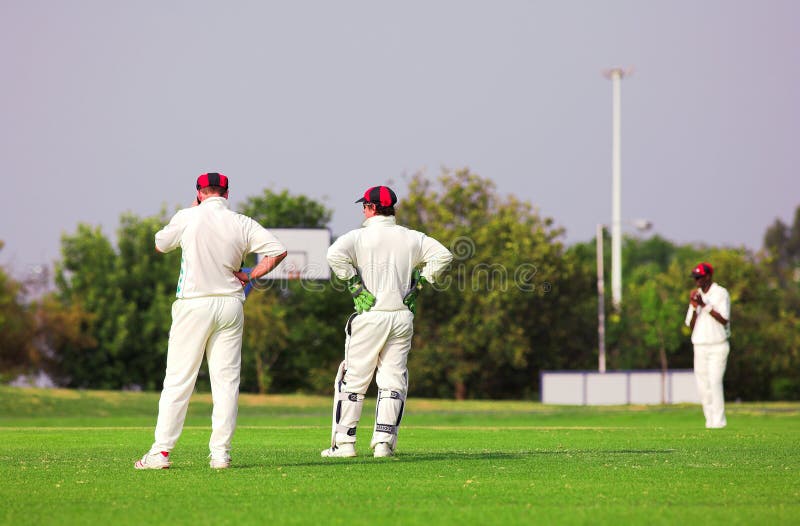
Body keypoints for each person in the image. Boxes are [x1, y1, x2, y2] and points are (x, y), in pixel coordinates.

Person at [135, 172, 287, 469]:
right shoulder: (241, 221)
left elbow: (160, 245)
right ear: (227, 194)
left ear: (200, 192)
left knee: (179, 380)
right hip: (231, 304)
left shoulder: (188, 216)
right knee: (226, 382)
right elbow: (278, 251)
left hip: (194, 304)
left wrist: (192, 207)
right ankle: (220, 454)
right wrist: (251, 274)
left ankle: (161, 453)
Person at [321, 185, 453, 458]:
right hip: (402, 315)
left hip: (371, 315)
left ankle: (344, 444)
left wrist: (355, 285)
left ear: (370, 208)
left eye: (364, 207)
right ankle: (383, 443)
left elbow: (333, 255)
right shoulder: (412, 237)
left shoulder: (359, 236)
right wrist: (421, 283)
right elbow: (443, 256)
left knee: (354, 379)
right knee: (393, 379)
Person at [684, 262, 731, 429]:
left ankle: (719, 422)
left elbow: (724, 319)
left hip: (717, 345)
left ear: (708, 276)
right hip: (700, 345)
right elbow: (690, 324)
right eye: (695, 278)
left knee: (715, 382)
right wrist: (696, 306)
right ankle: (709, 421)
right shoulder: (696, 295)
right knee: (703, 385)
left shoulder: (720, 293)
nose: (697, 281)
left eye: (699, 277)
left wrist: (705, 305)